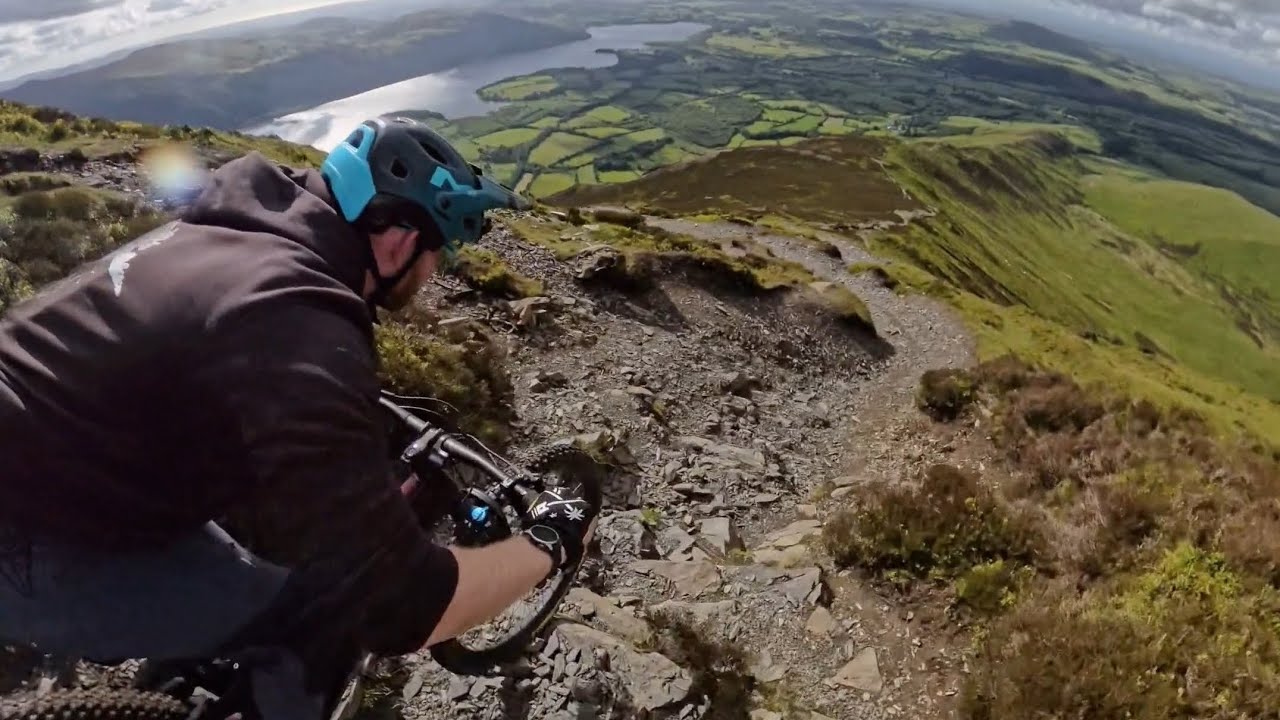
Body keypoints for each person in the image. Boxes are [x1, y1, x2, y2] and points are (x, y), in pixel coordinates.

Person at [0, 116, 597, 718]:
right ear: (400, 239)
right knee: (312, 622)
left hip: (46, 461)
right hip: (28, 532)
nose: (435, 270)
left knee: (243, 564)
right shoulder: (295, 316)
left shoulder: (223, 235)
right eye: (439, 248)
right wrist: (550, 544)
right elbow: (404, 610)